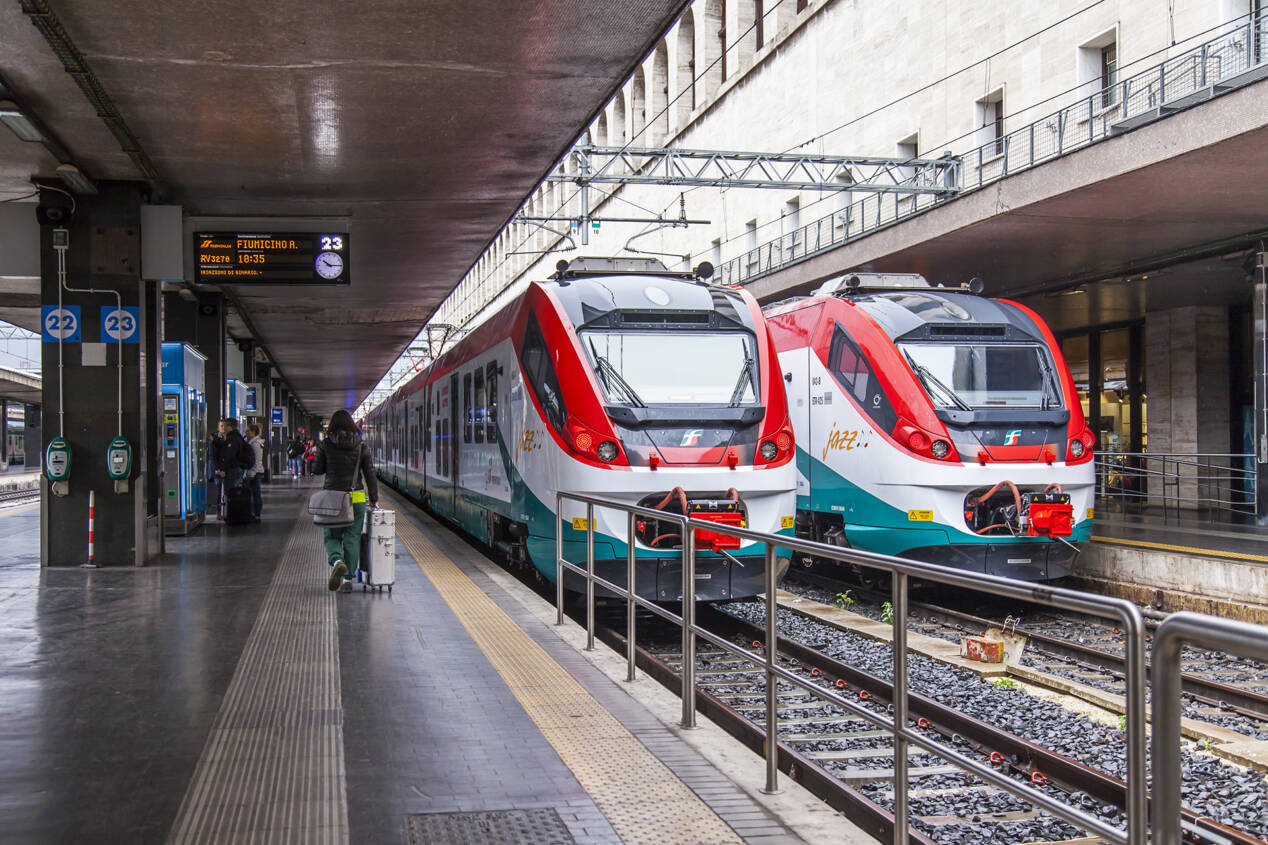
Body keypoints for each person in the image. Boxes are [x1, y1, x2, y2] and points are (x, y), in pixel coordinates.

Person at [312, 410, 378, 592]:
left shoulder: (326, 444)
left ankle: (337, 560)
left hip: (333, 495)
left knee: (331, 535)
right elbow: (370, 474)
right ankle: (348, 579)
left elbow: (316, 469)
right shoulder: (361, 446)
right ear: (351, 425)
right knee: (353, 536)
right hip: (355, 495)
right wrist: (374, 498)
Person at [214, 418, 248, 516]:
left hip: (232, 470)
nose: (223, 428)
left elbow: (230, 456)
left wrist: (223, 470)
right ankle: (230, 512)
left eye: (224, 426)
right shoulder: (237, 437)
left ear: (229, 427)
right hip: (236, 468)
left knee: (230, 492)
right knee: (231, 491)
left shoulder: (233, 438)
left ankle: (230, 513)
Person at [244, 423, 265, 522]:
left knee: (255, 494)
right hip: (254, 472)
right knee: (254, 493)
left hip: (255, 473)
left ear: (253, 432)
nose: (246, 432)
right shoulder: (252, 442)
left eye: (248, 431)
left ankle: (256, 514)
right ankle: (254, 513)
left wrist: (252, 473)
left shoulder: (255, 444)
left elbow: (257, 460)